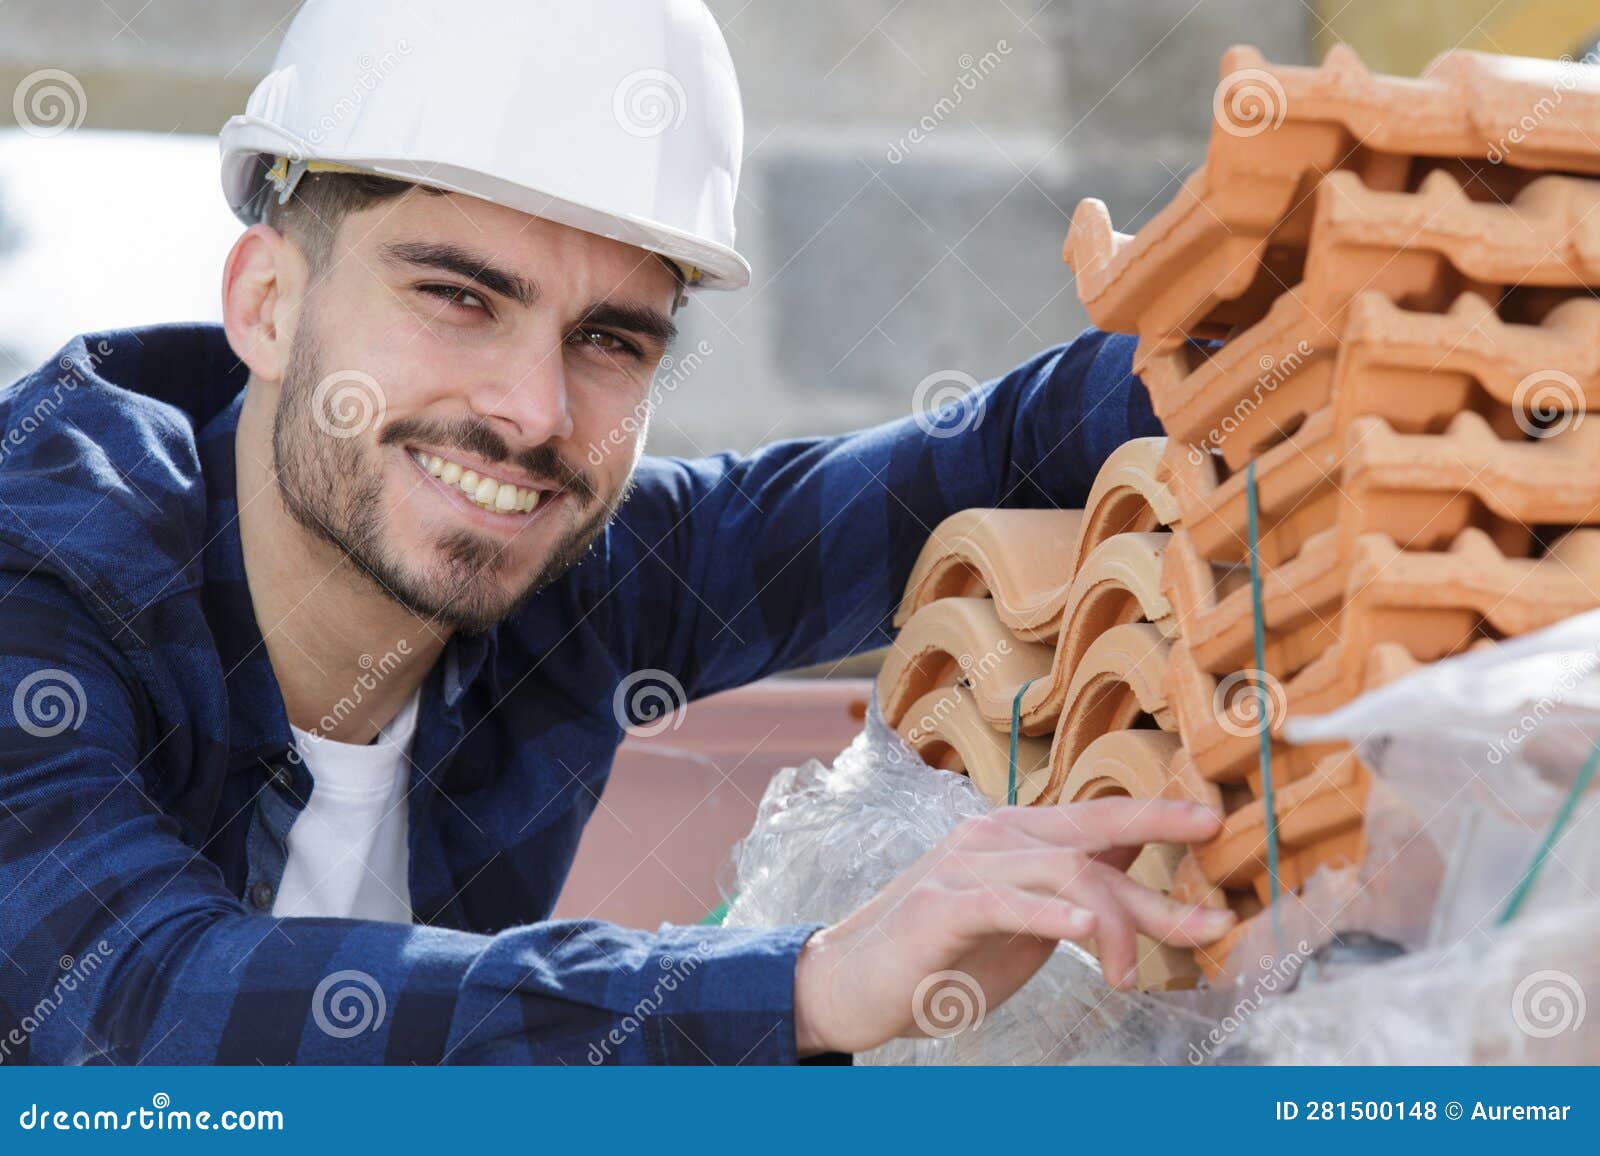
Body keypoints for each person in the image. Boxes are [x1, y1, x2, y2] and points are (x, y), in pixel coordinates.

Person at [0, 0, 1233, 1065]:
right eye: (458, 297)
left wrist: (1295, 308)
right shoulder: (42, 570)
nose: (533, 415)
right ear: (266, 304)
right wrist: (807, 983)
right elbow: (132, 1020)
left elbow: (985, 456)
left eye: (608, 340)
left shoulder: (565, 576)